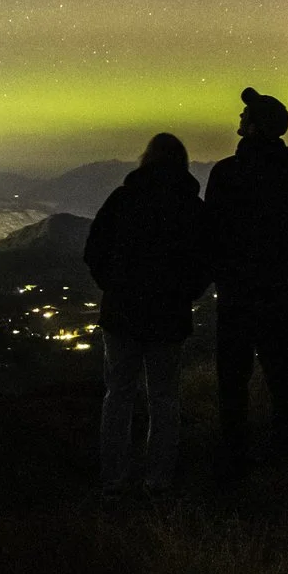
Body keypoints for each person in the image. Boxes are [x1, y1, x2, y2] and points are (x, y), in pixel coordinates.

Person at [204, 86, 288, 481]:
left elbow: (211, 234)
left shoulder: (225, 174)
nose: (239, 119)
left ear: (254, 128)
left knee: (233, 380)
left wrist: (223, 274)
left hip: (236, 296)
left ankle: (234, 460)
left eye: (245, 115)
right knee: (281, 377)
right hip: (279, 295)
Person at [84, 132, 209, 494]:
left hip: (121, 314)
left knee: (118, 395)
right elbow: (205, 262)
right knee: (164, 397)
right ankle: (159, 480)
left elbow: (95, 250)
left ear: (146, 160)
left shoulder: (123, 200)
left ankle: (113, 479)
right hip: (169, 318)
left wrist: (114, 286)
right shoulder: (191, 207)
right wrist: (184, 293)